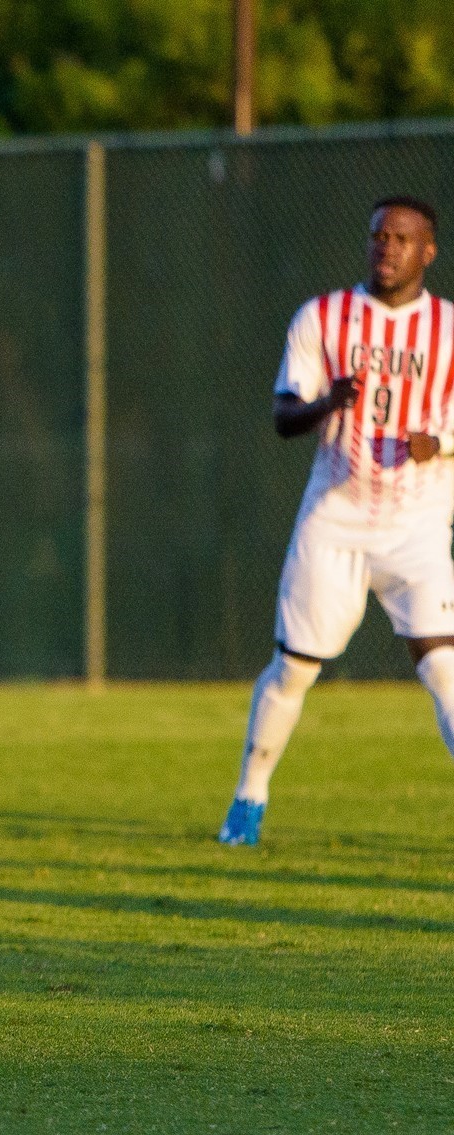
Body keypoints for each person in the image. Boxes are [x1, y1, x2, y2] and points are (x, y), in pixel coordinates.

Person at [219, 195, 454, 844]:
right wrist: (329, 402)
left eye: (403, 239)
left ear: (427, 251)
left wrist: (441, 441)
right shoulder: (324, 318)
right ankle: (249, 796)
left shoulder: (449, 329)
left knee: (444, 668)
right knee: (294, 667)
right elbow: (283, 417)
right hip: (336, 518)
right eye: (379, 235)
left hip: (418, 524)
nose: (388, 247)